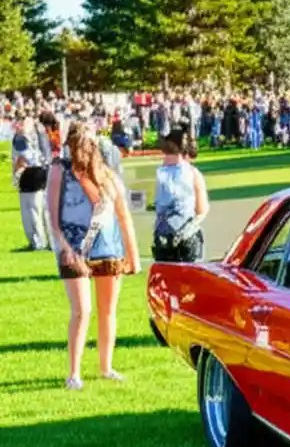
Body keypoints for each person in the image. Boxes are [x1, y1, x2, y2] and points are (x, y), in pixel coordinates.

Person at [47, 121, 141, 390]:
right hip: (73, 248)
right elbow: (52, 218)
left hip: (108, 246)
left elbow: (123, 215)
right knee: (81, 310)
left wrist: (132, 256)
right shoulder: (59, 170)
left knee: (108, 310)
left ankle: (106, 366)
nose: (83, 151)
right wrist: (65, 248)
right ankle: (74, 373)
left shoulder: (106, 174)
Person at [152, 129, 210, 262]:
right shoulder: (193, 173)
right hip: (187, 236)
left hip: (162, 236)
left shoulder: (158, 174)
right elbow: (201, 210)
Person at [11, 121, 50, 250]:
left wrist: (18, 170)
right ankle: (40, 241)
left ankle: (39, 242)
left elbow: (23, 160)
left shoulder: (26, 140)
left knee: (33, 213)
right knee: (35, 213)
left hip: (33, 178)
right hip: (34, 179)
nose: (18, 127)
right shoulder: (39, 136)